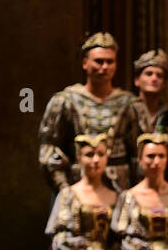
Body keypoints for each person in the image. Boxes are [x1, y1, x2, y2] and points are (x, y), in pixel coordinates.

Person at [39, 32, 141, 191]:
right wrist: (64, 189)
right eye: (99, 61)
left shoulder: (129, 104)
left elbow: (139, 152)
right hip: (77, 185)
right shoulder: (65, 101)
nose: (105, 67)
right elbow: (50, 148)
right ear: (85, 63)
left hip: (120, 188)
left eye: (110, 62)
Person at [131, 48, 168, 134]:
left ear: (164, 83)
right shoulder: (128, 109)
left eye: (159, 75)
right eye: (149, 74)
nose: (154, 78)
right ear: (137, 80)